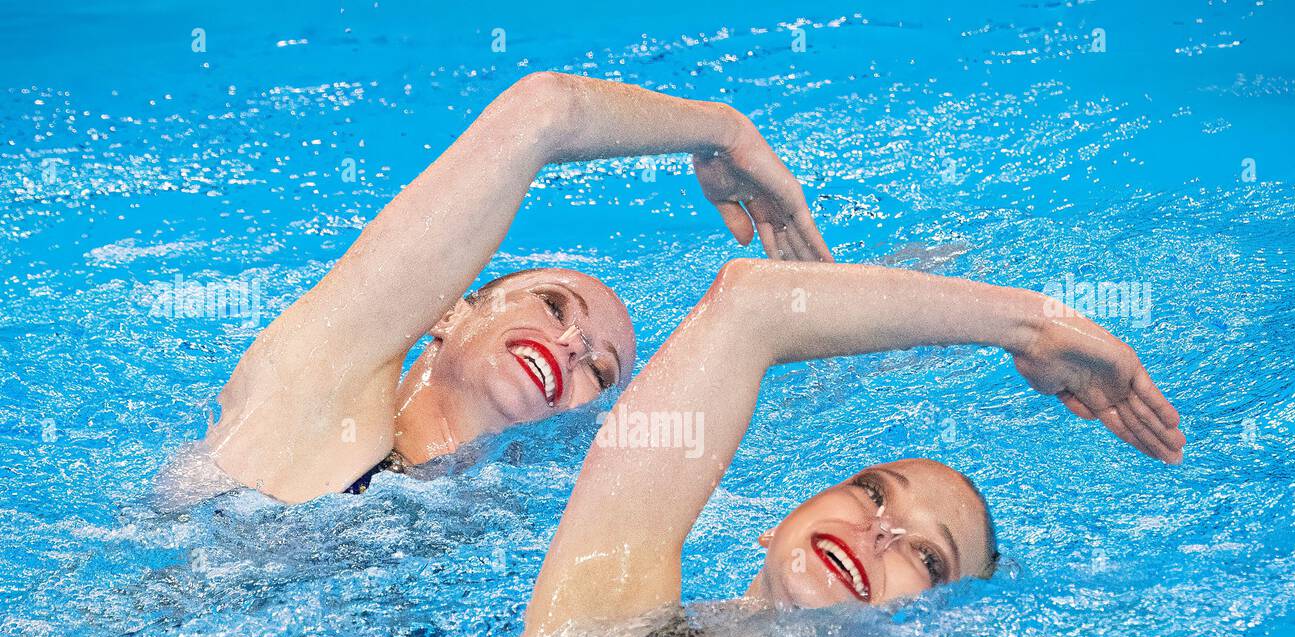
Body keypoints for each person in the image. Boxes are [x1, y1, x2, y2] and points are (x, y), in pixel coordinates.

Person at [180, 73, 832, 504]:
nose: (574, 345)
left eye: (600, 372)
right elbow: (543, 111)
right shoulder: (310, 407)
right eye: (552, 306)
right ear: (445, 313)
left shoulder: (504, 539)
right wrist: (726, 132)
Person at [513, 257, 1186, 637]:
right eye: (871, 493)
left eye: (928, 560)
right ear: (774, 525)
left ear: (925, 632)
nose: (883, 532)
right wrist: (1030, 325)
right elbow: (748, 305)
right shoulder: (601, 608)